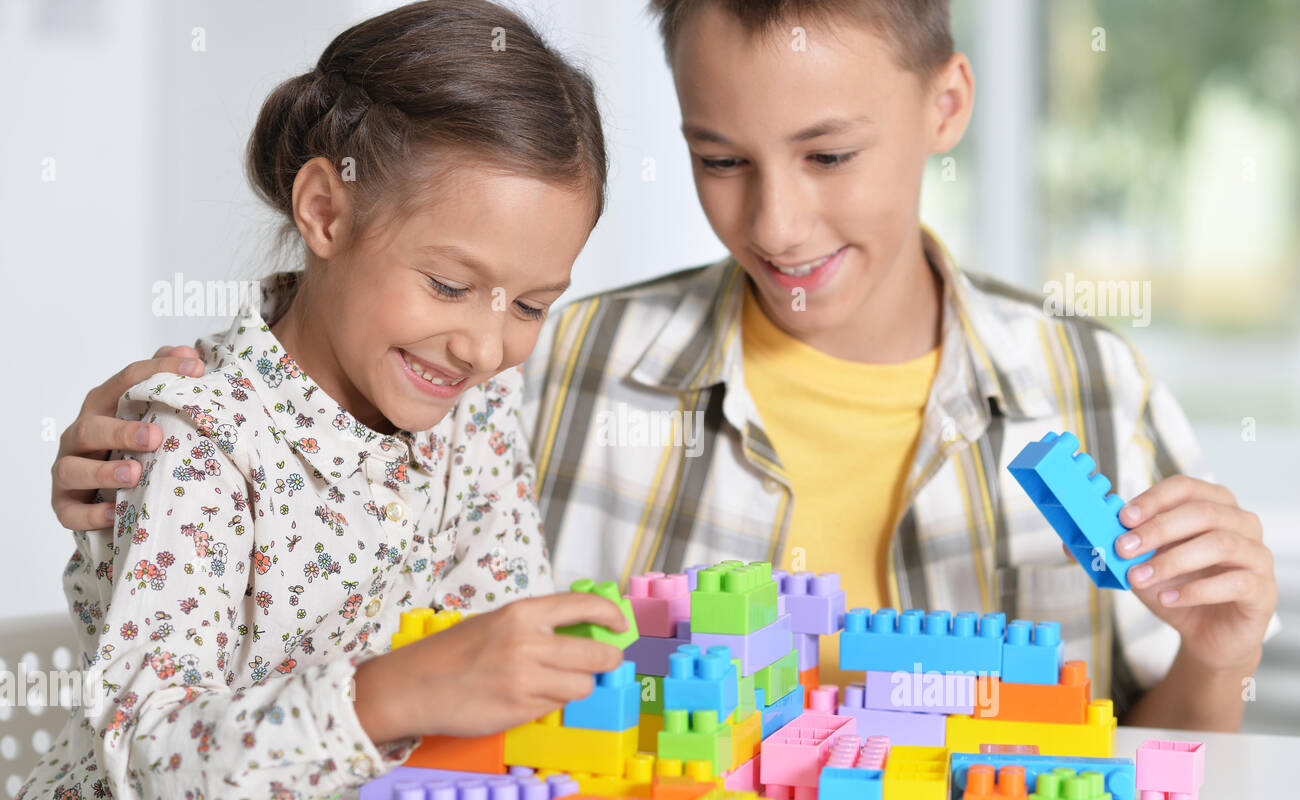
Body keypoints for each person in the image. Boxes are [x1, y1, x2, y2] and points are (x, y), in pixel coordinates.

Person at [51, 0, 1276, 743]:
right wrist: (174, 438)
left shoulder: (1090, 386)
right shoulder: (541, 364)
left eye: (830, 152)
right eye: (720, 158)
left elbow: (1159, 787)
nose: (781, 225)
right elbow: (326, 485)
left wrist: (1216, 654)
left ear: (947, 103)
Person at [3, 0, 629, 800]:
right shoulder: (201, 437)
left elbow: (499, 641)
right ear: (326, 212)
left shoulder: (476, 410)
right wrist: (396, 693)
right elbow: (147, 765)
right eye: (450, 284)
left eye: (528, 305)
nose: (486, 347)